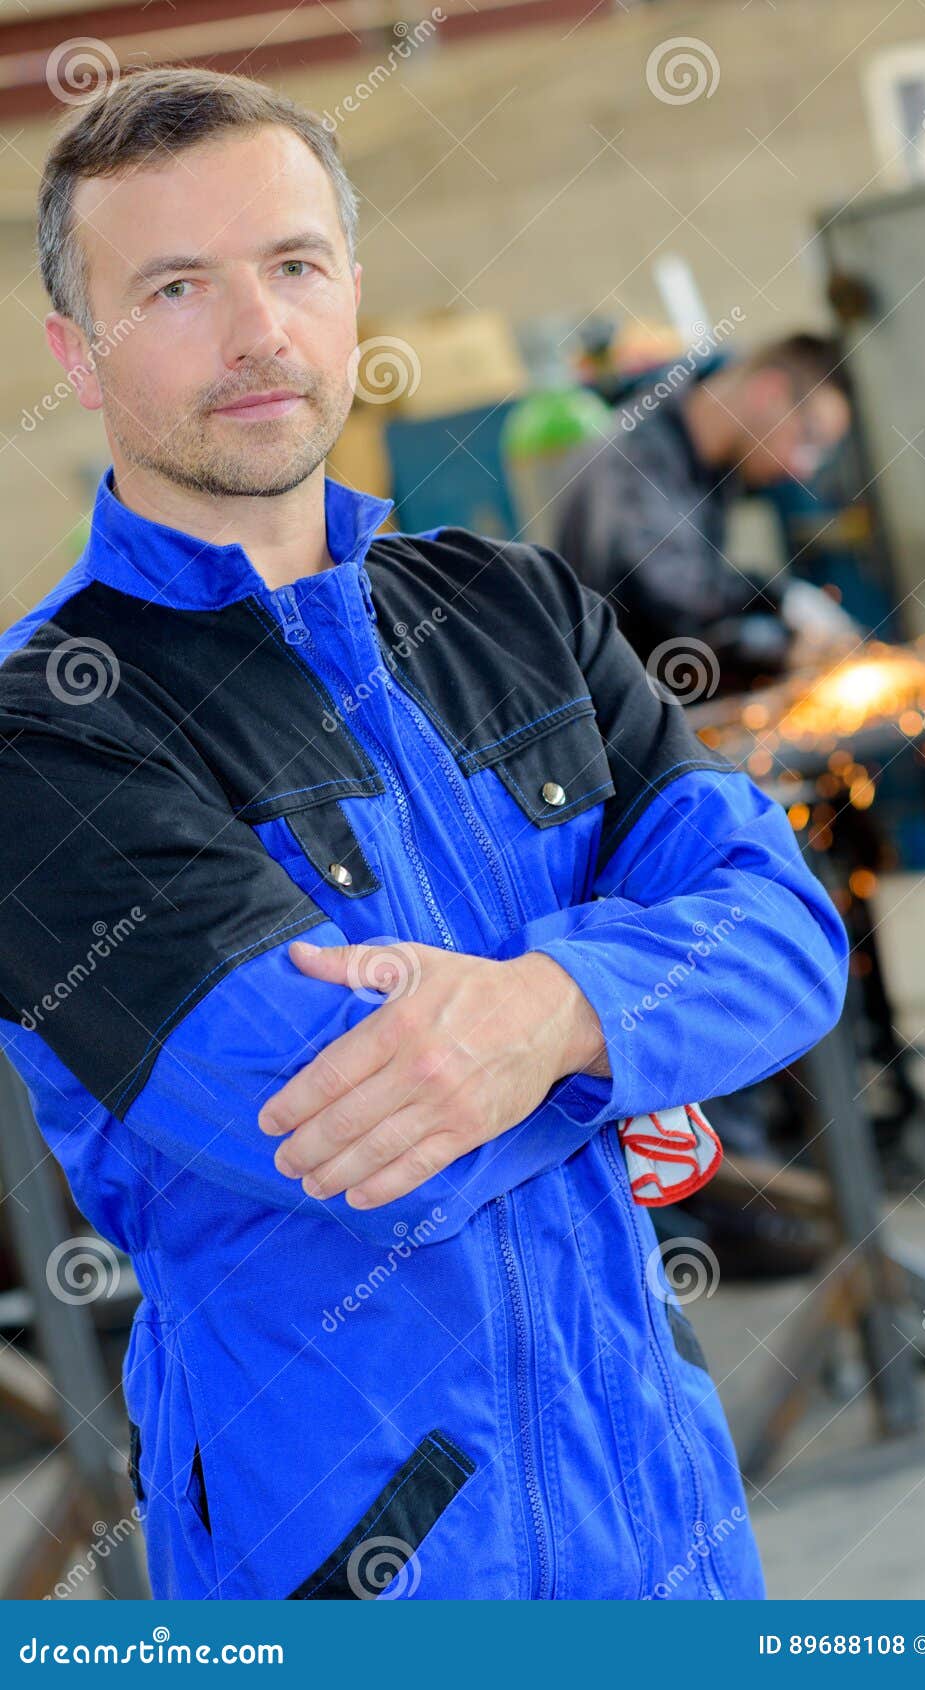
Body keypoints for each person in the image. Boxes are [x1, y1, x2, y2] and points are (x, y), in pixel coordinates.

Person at [0, 66, 849, 1601]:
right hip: (358, 1549)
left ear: (351, 293)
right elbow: (336, 1123)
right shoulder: (51, 730)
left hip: (660, 1503)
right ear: (78, 348)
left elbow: (790, 934)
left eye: (294, 266)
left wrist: (552, 1012)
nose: (258, 332)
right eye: (176, 286)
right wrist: (643, 1048)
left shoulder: (512, 607)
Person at [552, 334, 858, 697]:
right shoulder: (637, 460)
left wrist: (784, 608)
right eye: (808, 438)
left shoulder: (713, 466)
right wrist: (779, 617)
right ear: (769, 390)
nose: (803, 468)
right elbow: (672, 607)